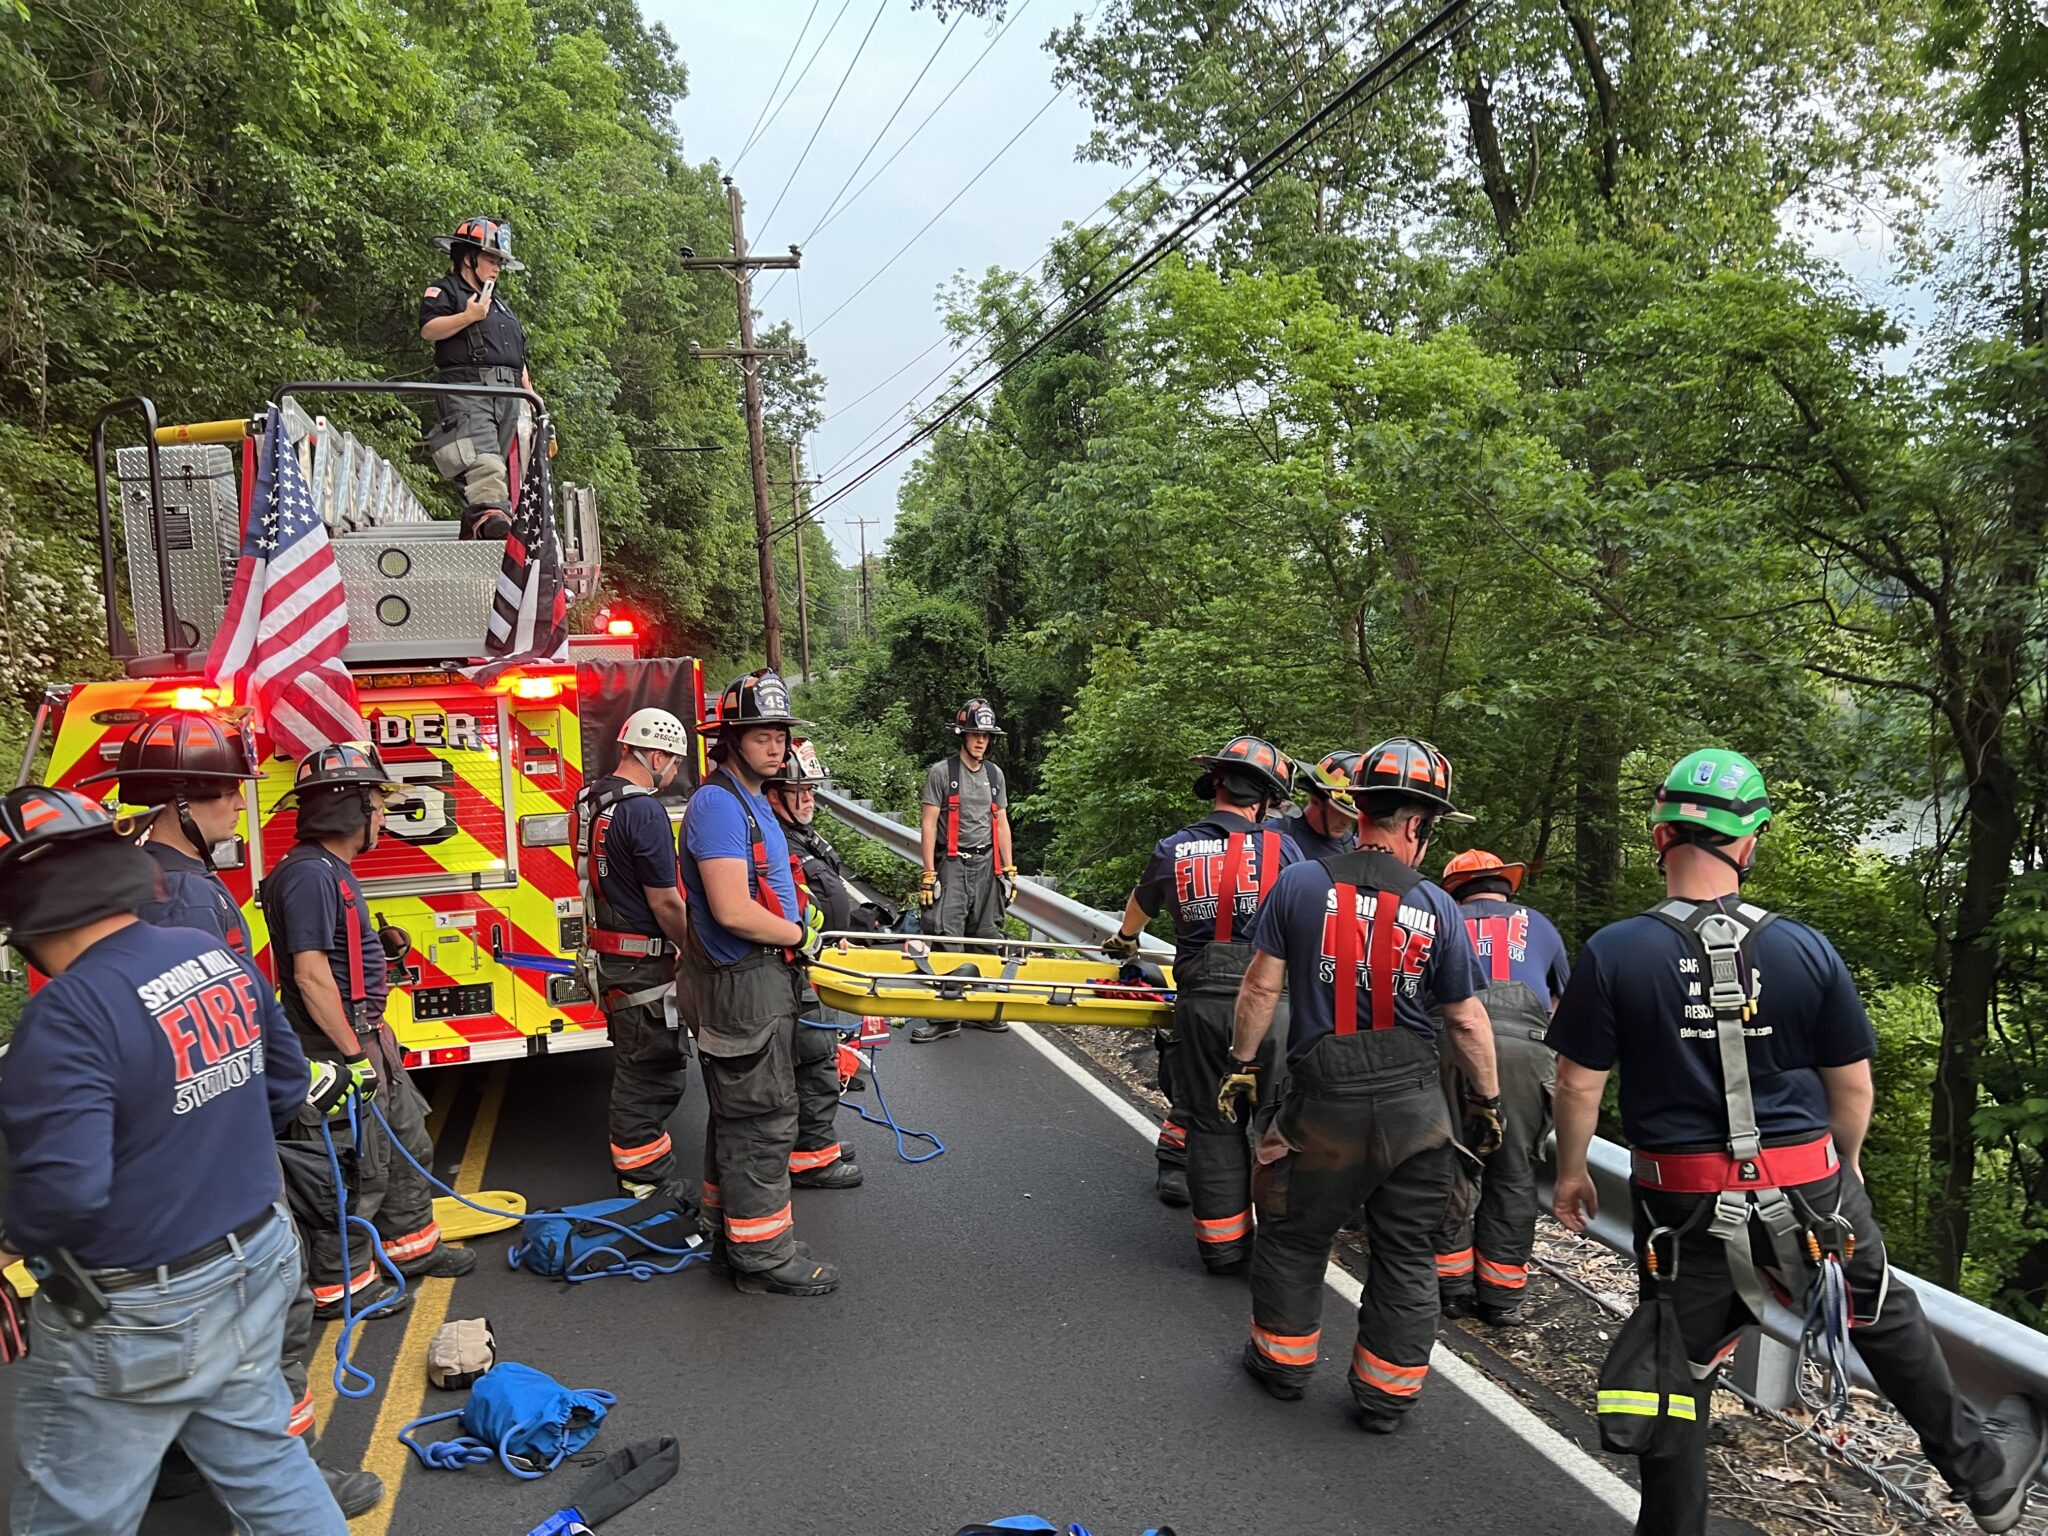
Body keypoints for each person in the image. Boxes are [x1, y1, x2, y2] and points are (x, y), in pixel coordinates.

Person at [1548, 749, 2046, 1535]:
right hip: (1808, 1188)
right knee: (1879, 1312)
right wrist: (1840, 1172)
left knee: (1677, 1366)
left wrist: (1572, 1171)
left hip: (1679, 1205)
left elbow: (1579, 1083)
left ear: (1660, 837)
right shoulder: (1802, 948)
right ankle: (1982, 1479)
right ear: (1748, 843)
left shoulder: (1616, 951)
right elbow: (1852, 1088)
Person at [0, 785, 349, 1536]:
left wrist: (10, 1234)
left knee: (71, 1514)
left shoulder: (66, 1015)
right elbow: (285, 1087)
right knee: (268, 1465)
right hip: (256, 1262)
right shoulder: (206, 953)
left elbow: (64, 1197)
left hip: (138, 1306)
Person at [79, 714, 383, 1518]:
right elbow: (209, 1020)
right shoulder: (179, 892)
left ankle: (182, 1461)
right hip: (218, 1143)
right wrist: (293, 1086)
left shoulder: (154, 875)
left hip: (178, 1143)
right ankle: (288, 1486)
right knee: (265, 1318)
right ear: (182, 799)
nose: (234, 810)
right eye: (221, 794)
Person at [1227, 736, 1502, 1432]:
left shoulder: (1298, 884)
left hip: (1325, 1102)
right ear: (1416, 824)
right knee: (1407, 1248)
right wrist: (1488, 1102)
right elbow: (1467, 1023)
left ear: (1361, 809)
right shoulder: (1439, 906)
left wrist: (1240, 1063)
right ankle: (1386, 1396)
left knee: (1294, 1232)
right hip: (1415, 1107)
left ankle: (1283, 1364)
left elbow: (1261, 987)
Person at [261, 742, 476, 1317]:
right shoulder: (308, 875)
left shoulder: (330, 871)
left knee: (406, 1142)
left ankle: (412, 1249)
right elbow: (309, 975)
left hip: (364, 1036)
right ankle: (342, 1287)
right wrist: (352, 1056)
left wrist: (375, 953)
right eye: (376, 803)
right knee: (349, 1169)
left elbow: (329, 957)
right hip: (335, 1047)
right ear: (348, 807)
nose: (383, 815)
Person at [1104, 735, 1301, 1266]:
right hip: (1275, 1007)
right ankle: (1283, 1251)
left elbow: (1139, 909)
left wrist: (1125, 940)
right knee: (1278, 1122)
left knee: (1214, 1125)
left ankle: (1222, 1248)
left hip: (1201, 1004)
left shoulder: (1173, 848)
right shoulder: (1288, 852)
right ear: (1263, 800)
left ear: (1215, 786)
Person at [677, 670, 839, 1296]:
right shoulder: (719, 805)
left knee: (739, 1116)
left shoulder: (751, 799)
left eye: (781, 735)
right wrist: (799, 937)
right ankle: (764, 1258)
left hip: (760, 980)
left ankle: (728, 1234)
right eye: (762, 735)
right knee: (762, 1120)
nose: (777, 746)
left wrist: (802, 923)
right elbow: (731, 909)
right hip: (742, 987)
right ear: (730, 739)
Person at [1431, 847, 1570, 1326]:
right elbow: (1562, 1006)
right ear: (1507, 885)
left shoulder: (1437, 918)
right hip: (1526, 1049)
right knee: (1513, 1171)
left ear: (1455, 889)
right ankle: (1501, 1296)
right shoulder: (1541, 926)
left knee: (1451, 1162)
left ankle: (1449, 1284)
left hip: (1450, 1039)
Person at [575, 707, 693, 1196]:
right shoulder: (643, 810)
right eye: (675, 764)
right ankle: (642, 1179)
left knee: (635, 1057)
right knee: (650, 1069)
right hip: (642, 961)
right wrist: (694, 948)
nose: (673, 775)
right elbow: (665, 901)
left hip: (608, 951)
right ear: (658, 753)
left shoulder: (592, 799)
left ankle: (639, 1170)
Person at [763, 738, 868, 1191]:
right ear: (774, 794)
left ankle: (812, 1143)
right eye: (799, 790)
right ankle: (812, 1158)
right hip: (796, 965)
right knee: (814, 1060)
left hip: (813, 962)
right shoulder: (775, 840)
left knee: (812, 1058)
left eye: (811, 790)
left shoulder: (795, 834)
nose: (809, 798)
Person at [418, 216, 535, 540]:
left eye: (500, 261)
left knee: (504, 472)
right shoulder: (445, 291)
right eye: (491, 259)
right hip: (467, 389)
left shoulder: (499, 304)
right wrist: (468, 316)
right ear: (468, 257)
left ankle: (479, 529)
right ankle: (494, 525)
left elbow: (517, 358)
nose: (497, 268)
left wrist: (531, 396)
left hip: (509, 396)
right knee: (484, 466)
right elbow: (429, 330)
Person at [910, 697, 1018, 1044]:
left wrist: (1010, 869)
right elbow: (928, 824)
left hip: (988, 865)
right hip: (952, 864)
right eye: (974, 734)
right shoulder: (943, 773)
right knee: (947, 936)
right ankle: (945, 1017)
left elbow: (1001, 821)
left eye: (986, 736)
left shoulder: (994, 775)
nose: (981, 741)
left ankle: (980, 1010)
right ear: (962, 736)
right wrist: (929, 873)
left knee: (987, 937)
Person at [1277, 750, 1360, 861]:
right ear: (1315, 800)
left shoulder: (1356, 848)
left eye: (1352, 814)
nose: (1346, 821)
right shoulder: (1274, 836)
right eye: (1341, 813)